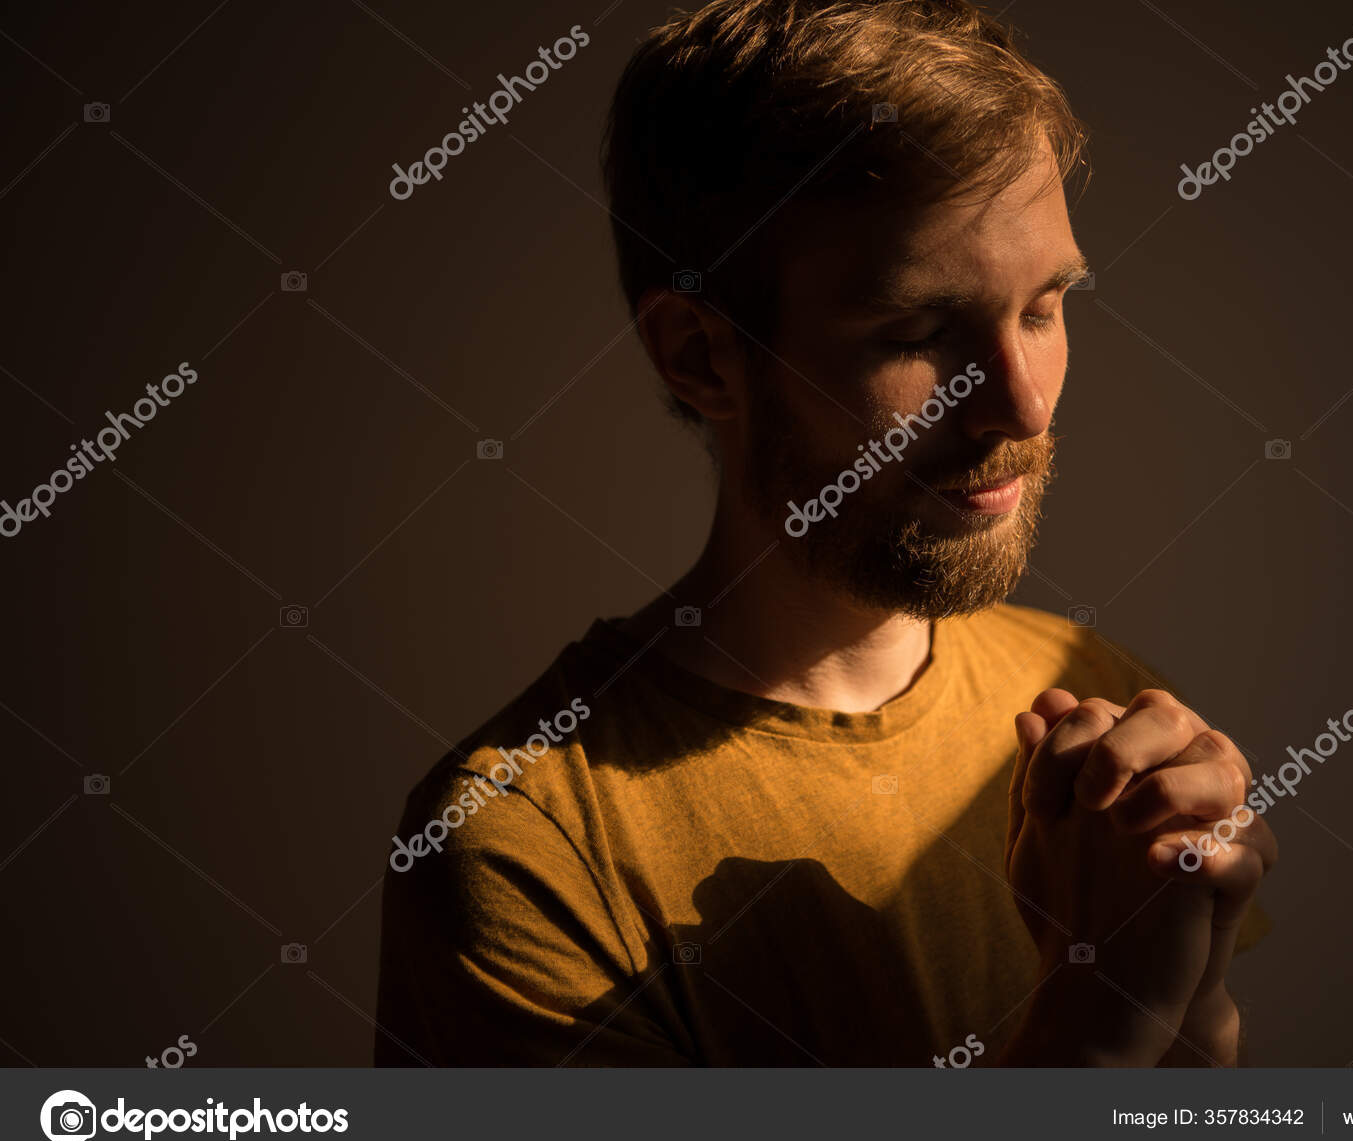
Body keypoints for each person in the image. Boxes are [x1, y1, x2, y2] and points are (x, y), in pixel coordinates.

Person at [376, 0, 1273, 1067]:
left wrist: (1190, 989)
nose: (1023, 407)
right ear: (703, 358)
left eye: (1042, 306)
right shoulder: (523, 845)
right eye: (918, 333)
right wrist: (1097, 1023)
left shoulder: (1094, 693)